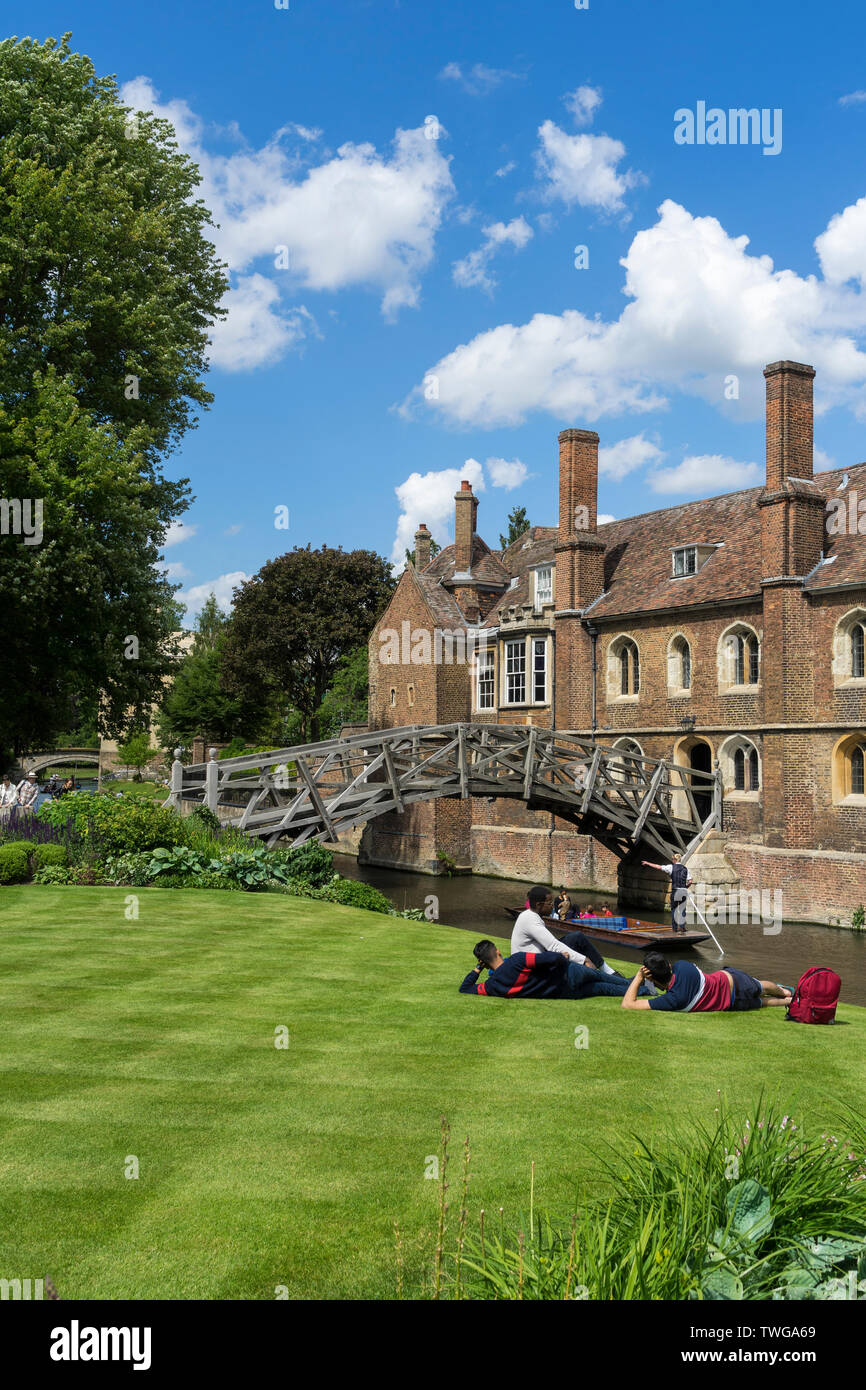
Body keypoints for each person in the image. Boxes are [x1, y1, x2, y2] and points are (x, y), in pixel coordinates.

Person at [460, 940, 655, 1000]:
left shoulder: (492, 986)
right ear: (497, 950)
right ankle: (642, 985)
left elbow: (465, 988)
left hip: (564, 993)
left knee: (603, 989)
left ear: (483, 961)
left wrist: (478, 969)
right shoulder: (517, 960)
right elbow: (552, 958)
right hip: (567, 974)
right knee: (605, 979)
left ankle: (646, 990)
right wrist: (564, 958)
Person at [621, 952, 793, 1013]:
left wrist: (638, 977)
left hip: (731, 1003)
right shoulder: (683, 966)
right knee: (760, 986)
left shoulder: (672, 1000)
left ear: (651, 977)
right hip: (731, 979)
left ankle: (789, 1001)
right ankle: (786, 992)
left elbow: (628, 1004)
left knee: (761, 1002)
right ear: (669, 965)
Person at [512, 885, 624, 976]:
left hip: (539, 958)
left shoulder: (532, 915)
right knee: (576, 941)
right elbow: (553, 946)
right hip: (532, 968)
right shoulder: (530, 919)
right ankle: (608, 975)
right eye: (550, 903)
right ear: (539, 905)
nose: (552, 906)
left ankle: (608, 972)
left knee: (576, 938)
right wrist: (584, 959)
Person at [641, 852, 692, 933]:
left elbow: (658, 867)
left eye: (672, 859)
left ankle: (674, 928)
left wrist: (647, 863)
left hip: (675, 891)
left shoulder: (671, 867)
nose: (672, 860)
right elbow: (690, 881)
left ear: (675, 860)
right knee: (682, 910)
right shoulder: (685, 869)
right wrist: (685, 887)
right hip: (683, 892)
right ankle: (682, 927)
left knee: (674, 910)